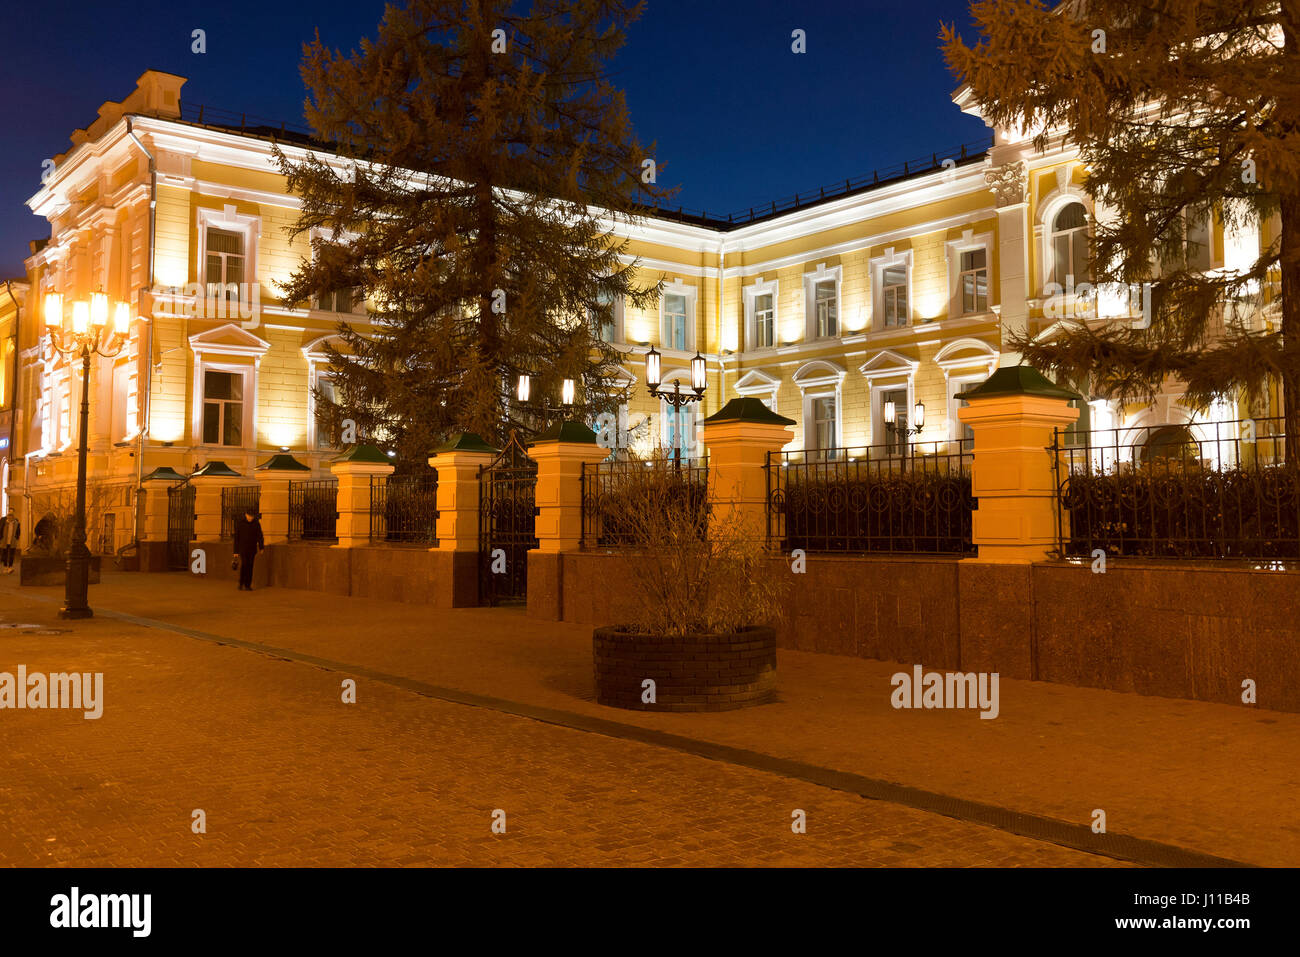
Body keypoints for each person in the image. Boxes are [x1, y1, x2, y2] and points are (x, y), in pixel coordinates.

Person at [232, 509, 264, 591]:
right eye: (249, 516)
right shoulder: (240, 523)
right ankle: (241, 582)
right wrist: (235, 552)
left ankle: (248, 585)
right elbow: (236, 538)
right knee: (244, 565)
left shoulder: (256, 523)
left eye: (252, 516)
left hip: (252, 549)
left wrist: (261, 547)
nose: (250, 518)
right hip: (243, 549)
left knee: (250, 566)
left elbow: (259, 536)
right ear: (246, 515)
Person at [0, 508, 19, 574]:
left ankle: (10, 567)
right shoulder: (4, 522)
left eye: (11, 516)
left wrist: (16, 538)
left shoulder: (16, 523)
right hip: (5, 541)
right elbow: (0, 530)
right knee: (4, 554)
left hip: (12, 541)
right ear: (7, 516)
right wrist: (1, 538)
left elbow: (18, 531)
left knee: (11, 555)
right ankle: (5, 567)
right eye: (9, 516)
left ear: (13, 516)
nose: (10, 517)